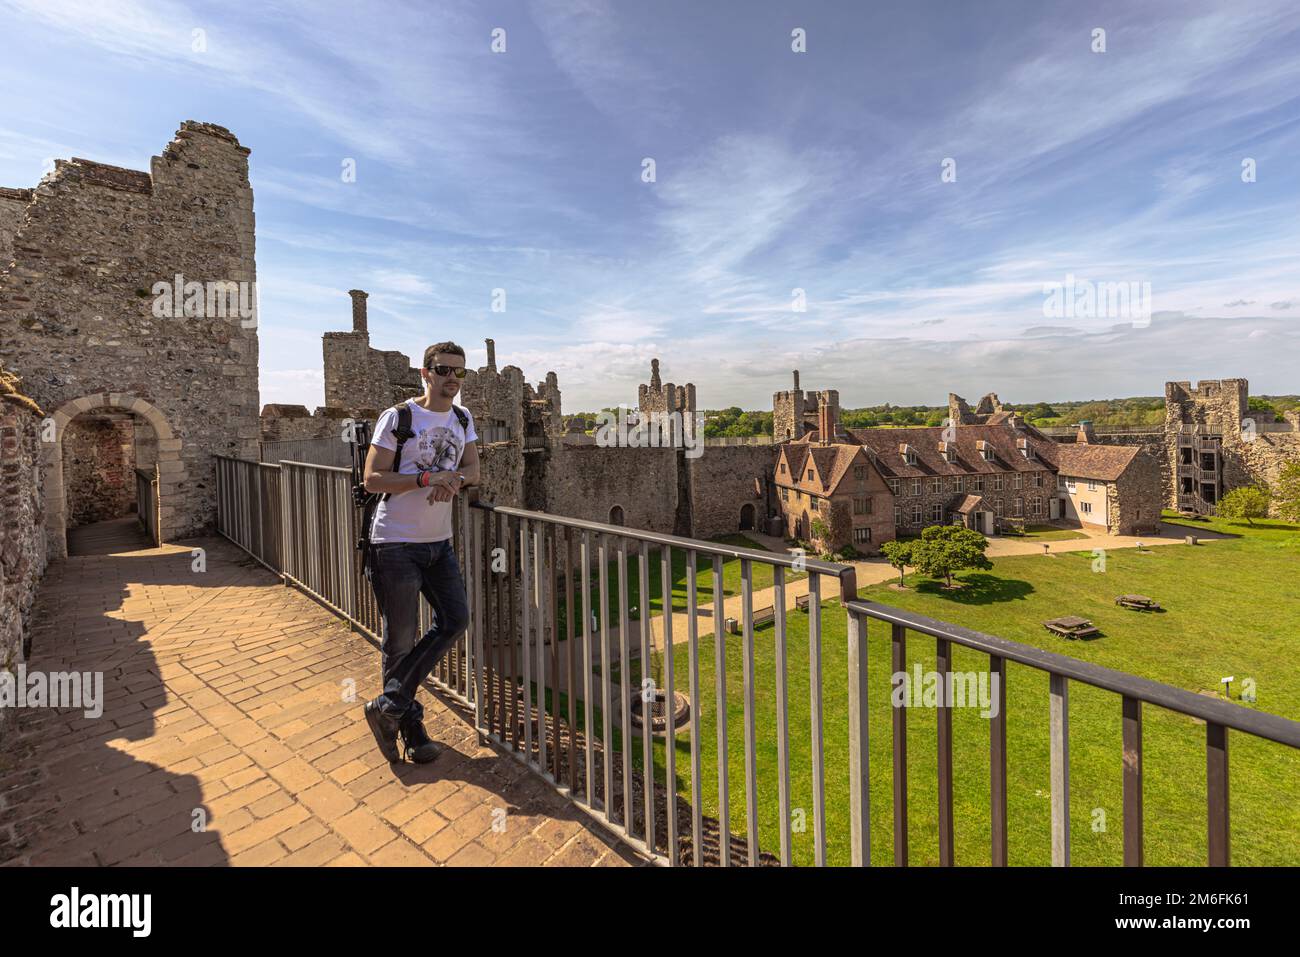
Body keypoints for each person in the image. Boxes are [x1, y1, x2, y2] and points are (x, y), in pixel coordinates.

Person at [360, 341, 480, 763]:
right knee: (400, 640)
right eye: (444, 369)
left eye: (459, 372)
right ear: (425, 373)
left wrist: (456, 480)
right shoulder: (399, 417)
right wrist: (428, 478)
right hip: (394, 542)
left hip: (437, 543)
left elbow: (473, 470)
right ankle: (410, 729)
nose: (452, 378)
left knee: (455, 619)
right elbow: (373, 479)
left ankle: (388, 705)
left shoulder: (463, 418)